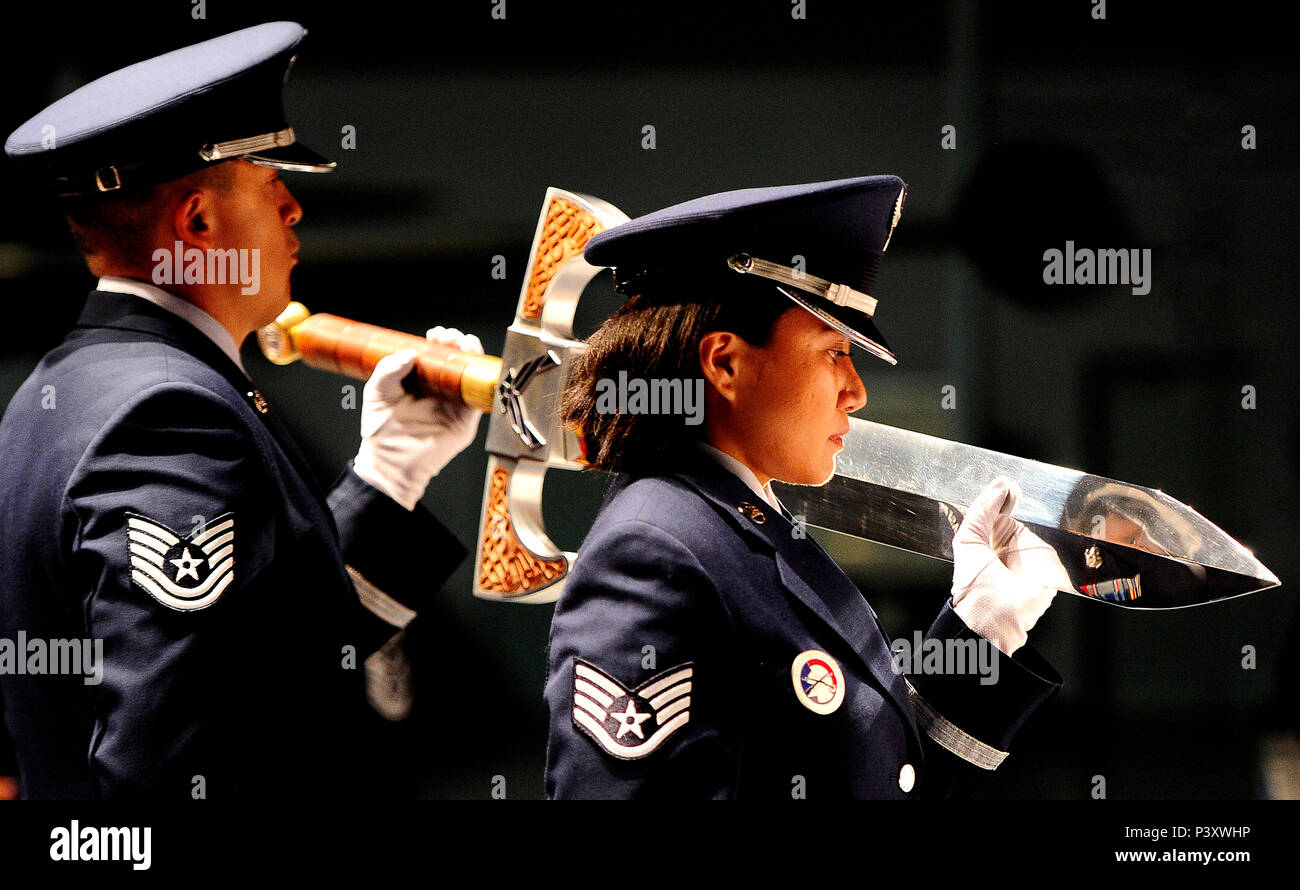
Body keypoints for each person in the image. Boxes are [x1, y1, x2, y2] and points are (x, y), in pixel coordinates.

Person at [0, 22, 480, 798]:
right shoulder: (167, 414)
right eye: (270, 182)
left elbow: (263, 662)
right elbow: (175, 760)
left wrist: (388, 476)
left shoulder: (67, 389)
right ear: (197, 223)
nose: (293, 211)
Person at [544, 175, 1065, 798]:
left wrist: (982, 630)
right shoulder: (654, 552)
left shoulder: (732, 525)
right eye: (834, 351)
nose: (857, 390)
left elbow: (874, 775)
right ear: (726, 363)